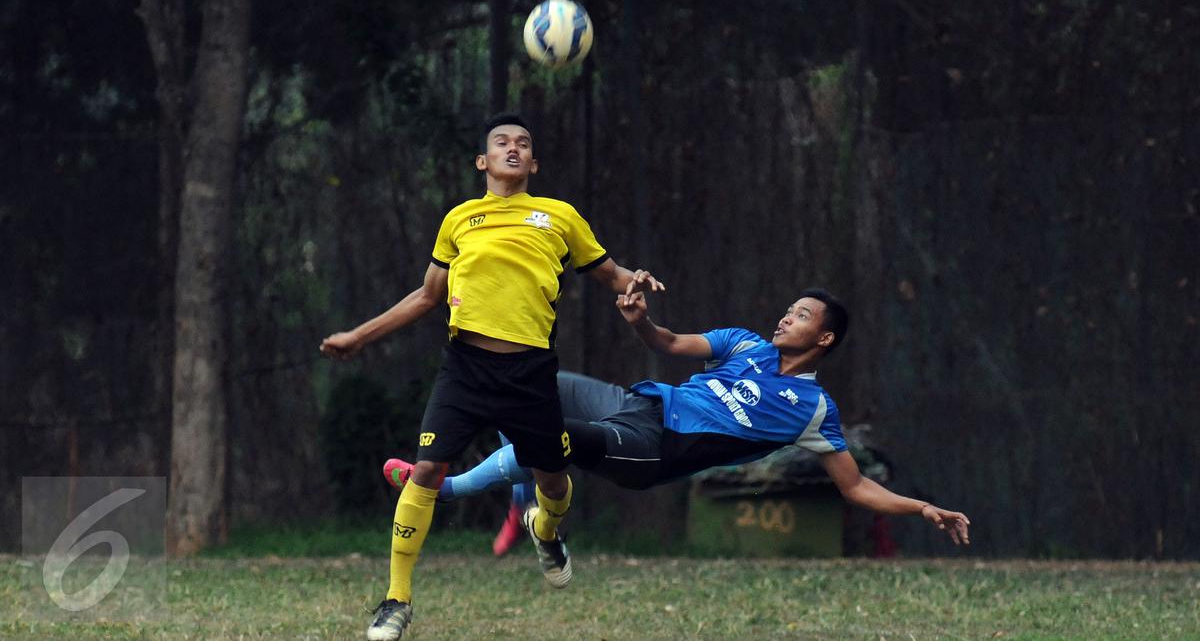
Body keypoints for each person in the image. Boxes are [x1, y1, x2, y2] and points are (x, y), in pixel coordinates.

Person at [321, 112, 665, 641]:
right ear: (482, 161)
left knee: (552, 478)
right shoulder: (460, 219)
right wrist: (359, 336)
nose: (513, 149)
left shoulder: (559, 217)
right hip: (465, 367)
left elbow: (611, 274)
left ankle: (546, 532)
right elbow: (427, 297)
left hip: (530, 373)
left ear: (533, 162)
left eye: (523, 144)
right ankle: (396, 599)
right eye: (501, 143)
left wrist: (633, 280)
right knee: (428, 469)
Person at [384, 288, 972, 551]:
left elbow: (856, 485)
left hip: (652, 450)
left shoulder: (814, 410)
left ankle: (446, 488)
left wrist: (921, 508)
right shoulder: (745, 344)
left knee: (549, 440)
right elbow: (667, 340)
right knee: (527, 383)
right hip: (636, 402)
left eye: (799, 315)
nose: (784, 318)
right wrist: (641, 319)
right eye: (788, 309)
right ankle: (530, 514)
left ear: (823, 336)